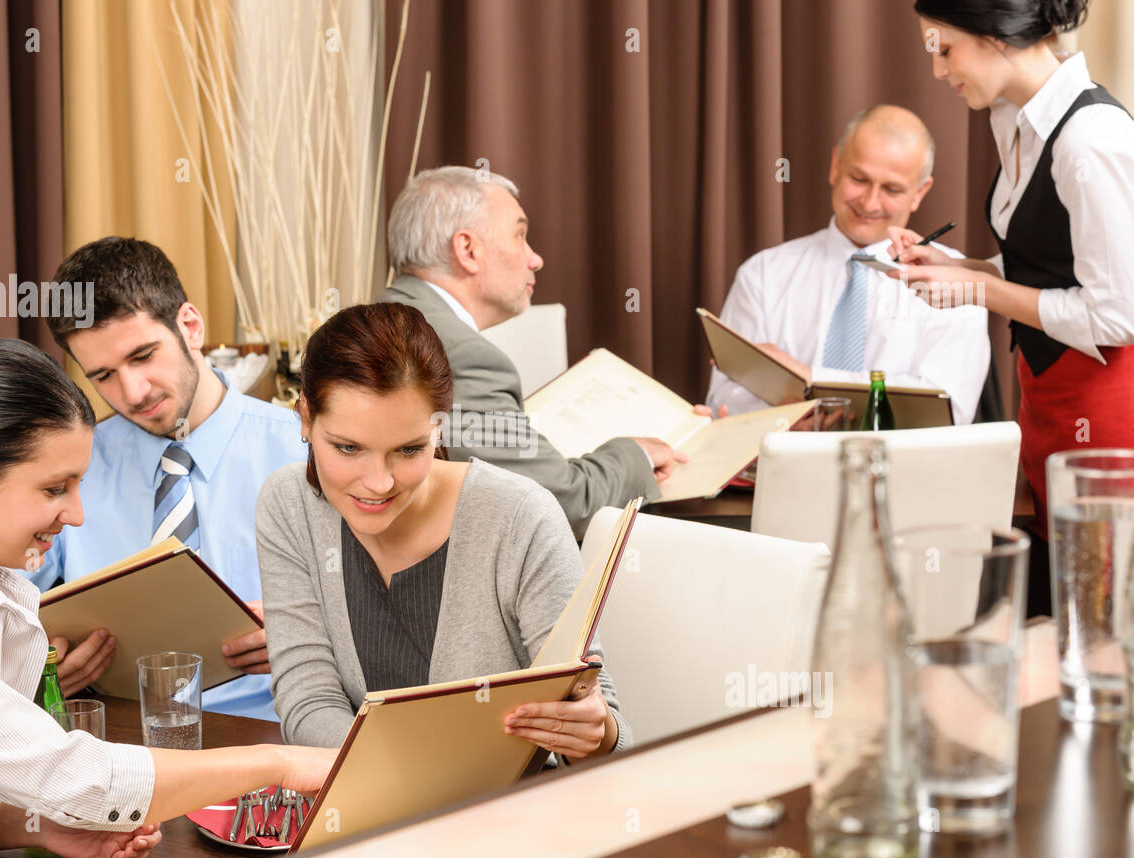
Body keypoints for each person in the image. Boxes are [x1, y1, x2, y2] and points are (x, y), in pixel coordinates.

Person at [0, 339, 334, 858]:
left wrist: (46, 828)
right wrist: (280, 763)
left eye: (79, 487)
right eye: (55, 489)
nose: (76, 514)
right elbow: (74, 775)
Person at [257, 302, 633, 759]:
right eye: (348, 448)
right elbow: (308, 704)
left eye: (409, 449)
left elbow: (603, 733)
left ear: (439, 431)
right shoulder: (289, 506)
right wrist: (417, 779)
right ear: (304, 419)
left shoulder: (520, 518)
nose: (379, 482)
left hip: (514, 813)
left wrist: (595, 732)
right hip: (365, 811)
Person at [893, 0, 1134, 613]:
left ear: (997, 36)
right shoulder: (1014, 118)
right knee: (1068, 608)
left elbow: (1117, 314)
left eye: (944, 50)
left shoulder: (1091, 139)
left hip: (1108, 414)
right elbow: (1055, 264)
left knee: (1104, 621)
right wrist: (964, 268)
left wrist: (980, 290)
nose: (938, 71)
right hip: (1049, 399)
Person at [27, 237, 305, 719]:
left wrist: (311, 636)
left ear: (190, 327)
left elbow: (386, 616)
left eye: (142, 356)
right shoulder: (70, 468)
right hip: (115, 747)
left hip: (271, 734)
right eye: (103, 376)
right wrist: (42, 669)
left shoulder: (303, 454)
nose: (132, 392)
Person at [378, 166, 716, 541]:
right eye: (520, 235)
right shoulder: (460, 354)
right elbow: (559, 506)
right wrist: (635, 454)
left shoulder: (376, 320)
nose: (535, 258)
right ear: (468, 249)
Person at [706, 105, 991, 427]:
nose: (870, 203)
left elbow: (948, 408)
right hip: (782, 468)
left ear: (919, 193)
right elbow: (723, 398)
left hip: (906, 474)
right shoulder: (762, 274)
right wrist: (780, 423)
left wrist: (810, 378)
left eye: (892, 189)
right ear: (835, 167)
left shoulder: (955, 283)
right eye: (859, 179)